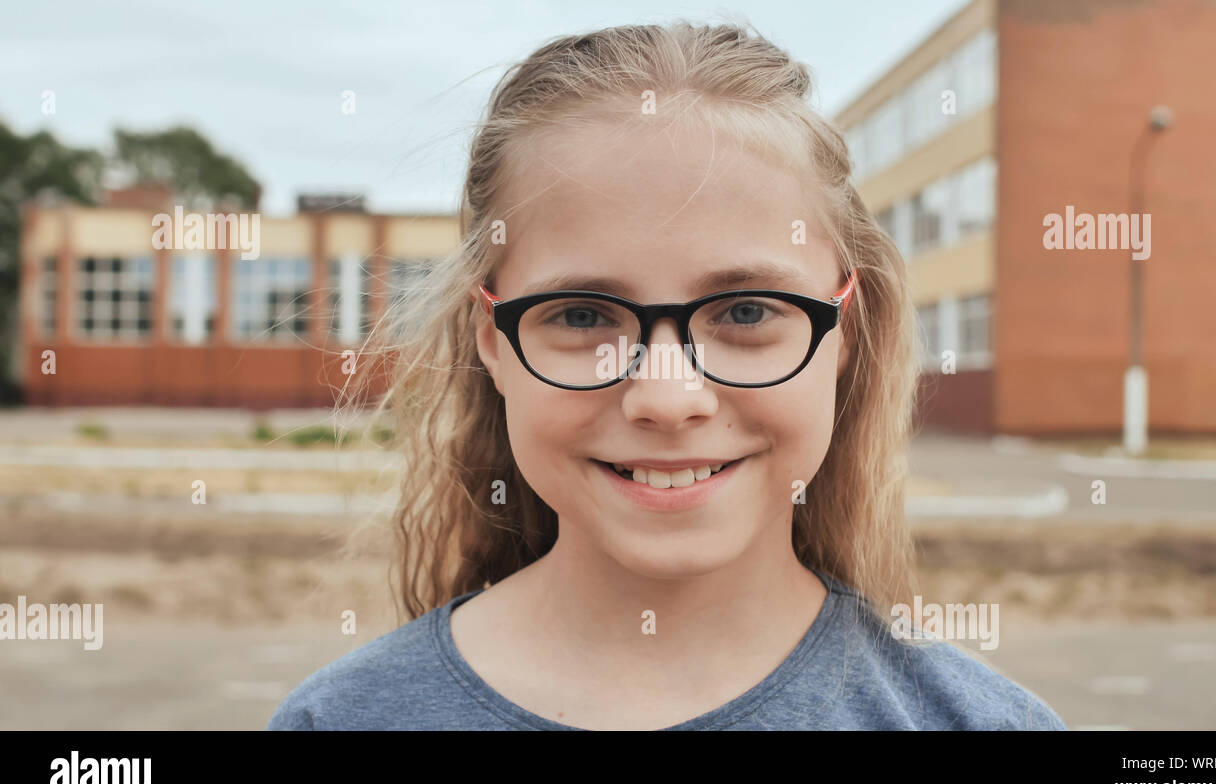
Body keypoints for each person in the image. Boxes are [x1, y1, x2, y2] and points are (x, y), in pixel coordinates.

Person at [267, 19, 1067, 731]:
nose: (666, 397)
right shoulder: (340, 718)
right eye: (583, 316)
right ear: (495, 340)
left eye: (747, 313)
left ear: (842, 331)